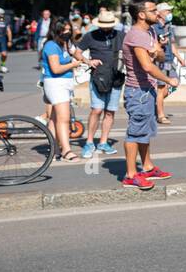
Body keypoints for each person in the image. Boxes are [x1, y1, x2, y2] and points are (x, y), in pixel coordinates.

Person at [120, 0, 174, 190]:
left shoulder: (149, 31)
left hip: (147, 89)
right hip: (138, 92)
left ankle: (148, 167)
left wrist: (155, 51)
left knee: (145, 132)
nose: (157, 14)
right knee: (135, 133)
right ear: (141, 15)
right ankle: (130, 175)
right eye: (153, 11)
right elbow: (147, 65)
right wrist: (168, 80)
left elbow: (160, 53)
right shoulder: (136, 35)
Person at [78, 9, 124, 159]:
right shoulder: (90, 36)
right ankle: (89, 142)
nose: (106, 27)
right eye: (104, 24)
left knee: (110, 111)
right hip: (98, 77)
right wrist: (88, 61)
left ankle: (103, 142)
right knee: (96, 110)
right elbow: (77, 52)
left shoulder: (120, 35)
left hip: (116, 77)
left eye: (109, 25)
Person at [41, 17, 85, 161]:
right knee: (64, 119)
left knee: (54, 118)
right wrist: (73, 65)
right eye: (64, 29)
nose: (67, 32)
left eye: (68, 29)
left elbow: (77, 53)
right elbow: (56, 68)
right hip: (55, 83)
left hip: (65, 83)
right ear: (56, 30)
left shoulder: (66, 43)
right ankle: (66, 150)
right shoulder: (51, 45)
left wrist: (89, 61)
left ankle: (54, 150)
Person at [151, 2, 186, 125]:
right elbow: (153, 47)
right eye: (167, 11)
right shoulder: (154, 28)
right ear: (159, 13)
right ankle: (160, 115)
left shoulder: (168, 27)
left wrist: (179, 58)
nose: (169, 13)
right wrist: (161, 44)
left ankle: (154, 102)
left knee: (175, 83)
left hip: (170, 61)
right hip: (160, 61)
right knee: (161, 89)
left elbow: (172, 45)